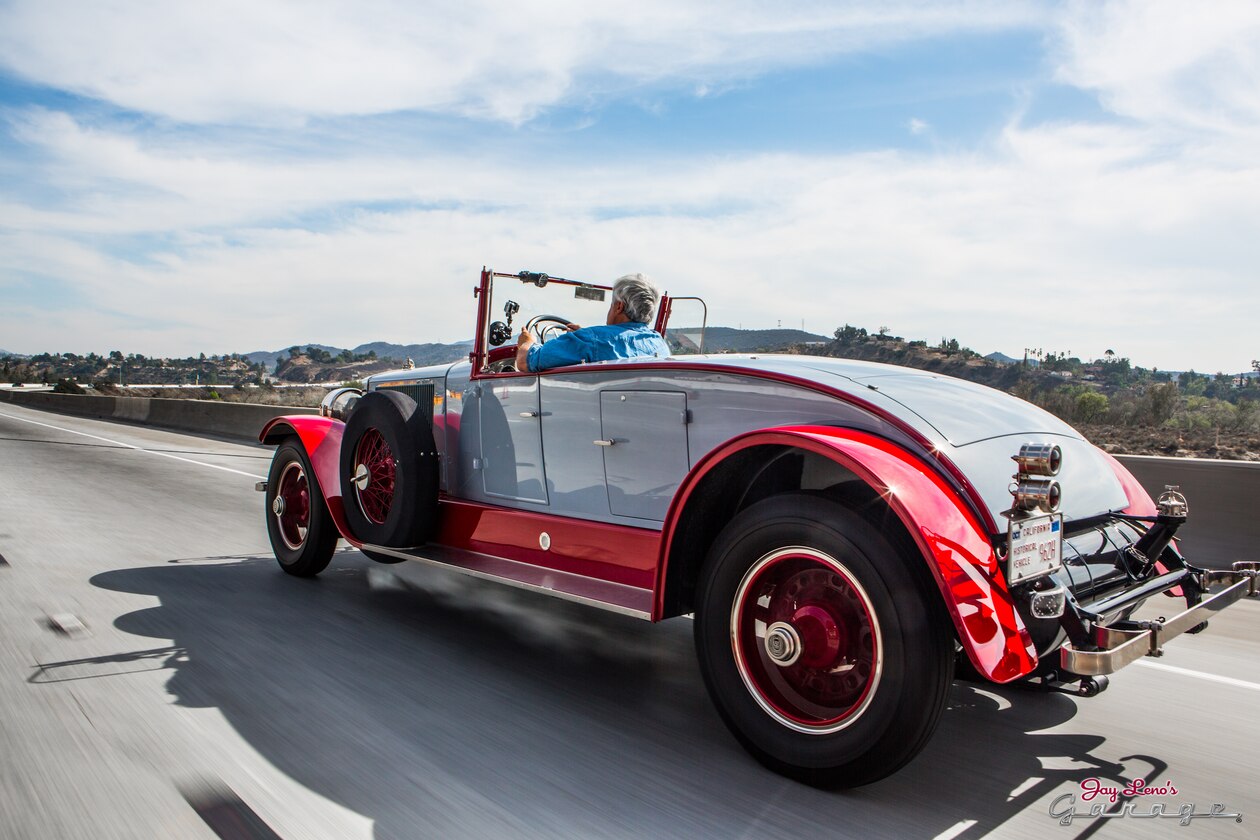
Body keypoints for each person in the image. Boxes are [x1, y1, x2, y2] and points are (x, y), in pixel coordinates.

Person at [515, 273, 671, 372]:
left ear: (618, 306)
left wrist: (527, 343)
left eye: (611, 304)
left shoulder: (590, 340)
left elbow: (524, 362)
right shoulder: (657, 342)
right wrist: (583, 335)